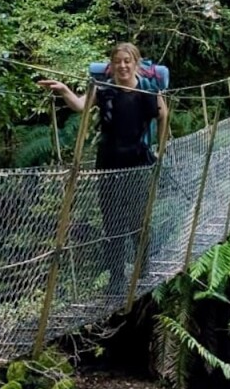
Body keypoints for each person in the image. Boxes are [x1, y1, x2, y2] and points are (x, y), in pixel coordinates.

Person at [37, 42, 169, 294]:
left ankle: (142, 265)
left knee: (138, 220)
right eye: (117, 61)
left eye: (127, 61)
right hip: (108, 165)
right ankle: (117, 279)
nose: (122, 66)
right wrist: (63, 90)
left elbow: (163, 115)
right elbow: (80, 105)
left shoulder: (148, 89)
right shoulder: (104, 90)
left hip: (138, 166)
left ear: (136, 63)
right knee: (112, 223)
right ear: (111, 65)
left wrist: (160, 150)